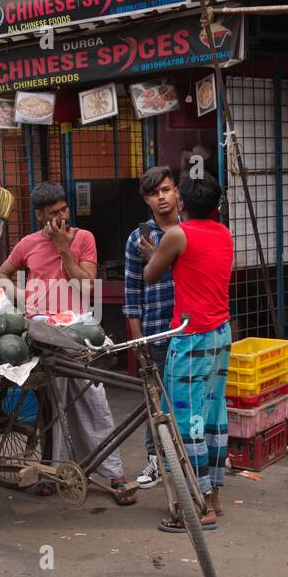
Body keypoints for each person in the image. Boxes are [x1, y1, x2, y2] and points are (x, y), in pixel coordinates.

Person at [0, 181, 135, 505]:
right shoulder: (27, 244)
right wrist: (19, 295)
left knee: (91, 398)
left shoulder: (83, 239)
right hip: (41, 331)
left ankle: (112, 472)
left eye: (64, 209)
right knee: (52, 403)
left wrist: (62, 248)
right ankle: (51, 470)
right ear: (40, 215)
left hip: (79, 329)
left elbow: (85, 285)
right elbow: (2, 274)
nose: (62, 216)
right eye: (54, 212)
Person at [142, 173, 232, 530]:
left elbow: (150, 275)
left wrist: (156, 252)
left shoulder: (177, 234)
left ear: (181, 203)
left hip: (191, 336)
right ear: (217, 206)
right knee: (212, 415)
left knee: (185, 421)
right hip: (221, 335)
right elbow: (198, 267)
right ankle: (214, 497)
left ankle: (198, 506)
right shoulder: (224, 233)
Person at [124, 165, 178, 490]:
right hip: (156, 330)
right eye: (155, 193)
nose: (162, 197)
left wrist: (159, 257)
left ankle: (192, 459)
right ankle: (156, 461)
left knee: (185, 398)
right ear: (147, 199)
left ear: (177, 193)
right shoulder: (138, 237)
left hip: (188, 329)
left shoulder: (190, 232)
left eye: (167, 190)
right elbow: (132, 294)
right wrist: (138, 341)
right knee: (155, 399)